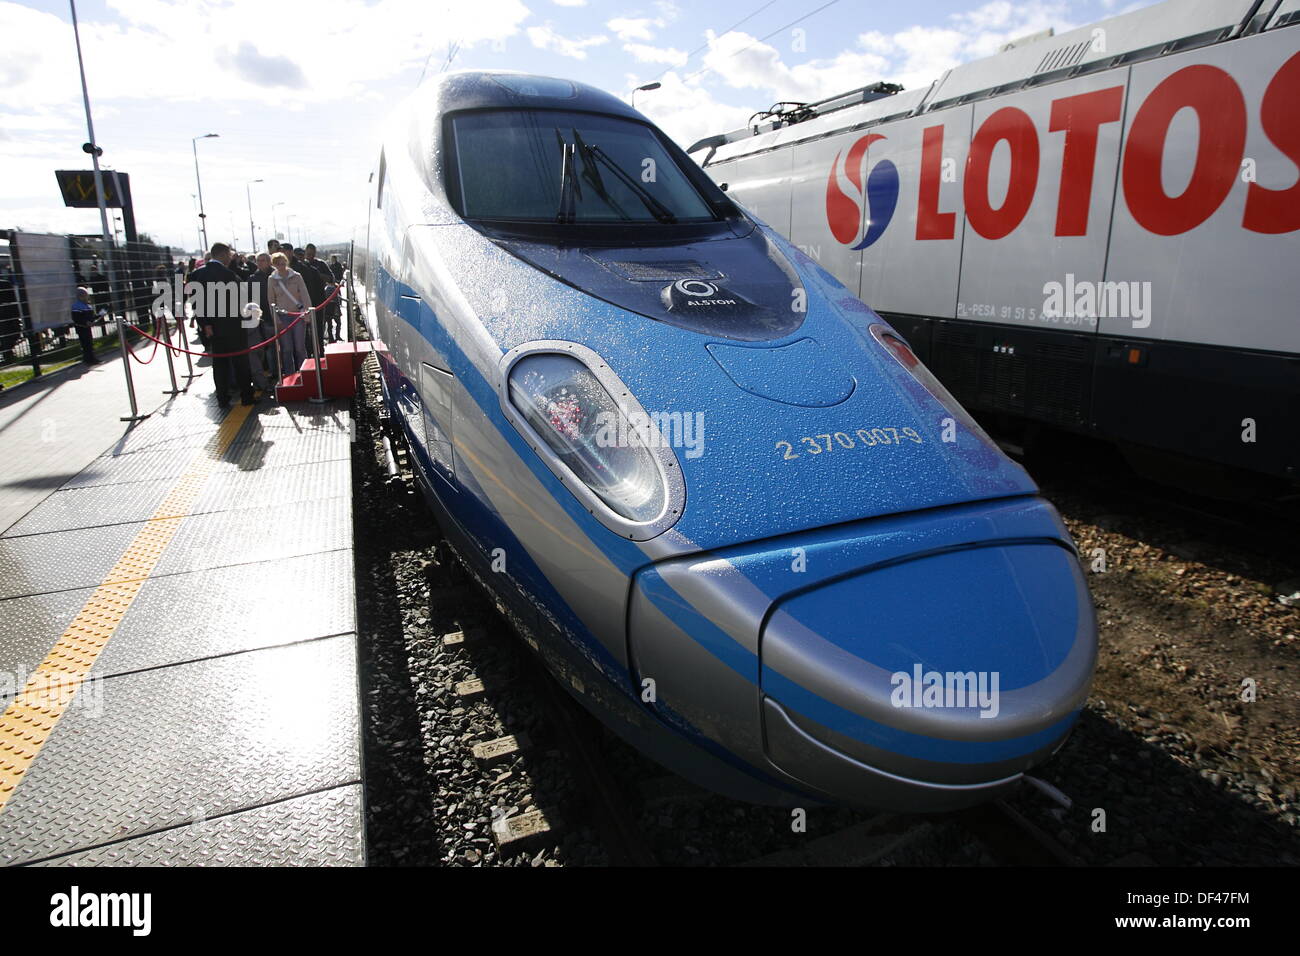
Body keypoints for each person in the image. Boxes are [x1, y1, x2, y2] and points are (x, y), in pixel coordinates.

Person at [189, 242, 254, 408]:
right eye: (230, 254)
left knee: (220, 365)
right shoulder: (230, 275)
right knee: (241, 363)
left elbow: (196, 303)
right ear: (223, 254)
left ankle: (222, 399)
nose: (231, 257)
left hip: (214, 328)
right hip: (234, 325)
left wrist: (205, 324)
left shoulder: (197, 275)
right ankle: (247, 396)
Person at [266, 251, 312, 379]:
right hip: (282, 316)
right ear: (274, 265)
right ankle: (290, 375)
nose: (281, 266)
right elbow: (271, 301)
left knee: (300, 347)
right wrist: (276, 319)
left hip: (298, 315)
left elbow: (305, 295)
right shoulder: (272, 279)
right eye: (277, 264)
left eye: (283, 263)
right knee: (286, 348)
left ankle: (305, 372)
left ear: (286, 262)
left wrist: (307, 314)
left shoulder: (296, 276)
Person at [71, 287, 98, 365]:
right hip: (81, 327)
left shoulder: (87, 305)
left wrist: (98, 316)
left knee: (89, 342)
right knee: (85, 343)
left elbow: (91, 316)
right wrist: (86, 322)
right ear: (80, 296)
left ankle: (91, 358)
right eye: (85, 295)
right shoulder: (76, 306)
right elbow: (77, 318)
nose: (87, 297)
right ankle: (88, 359)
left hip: (87, 327)